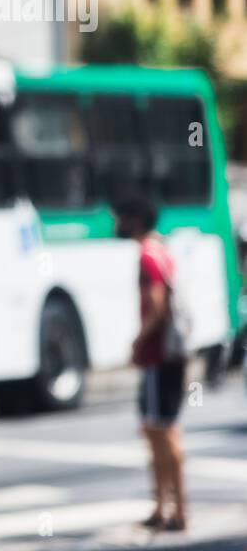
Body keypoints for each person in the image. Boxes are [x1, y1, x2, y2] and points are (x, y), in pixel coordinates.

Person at [114, 190, 187, 532]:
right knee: (156, 429)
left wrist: (138, 341)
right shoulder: (163, 250)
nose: (117, 223)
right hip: (168, 354)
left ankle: (176, 509)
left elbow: (156, 306)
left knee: (162, 431)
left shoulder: (147, 255)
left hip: (160, 355)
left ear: (136, 220)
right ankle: (163, 506)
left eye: (122, 217)